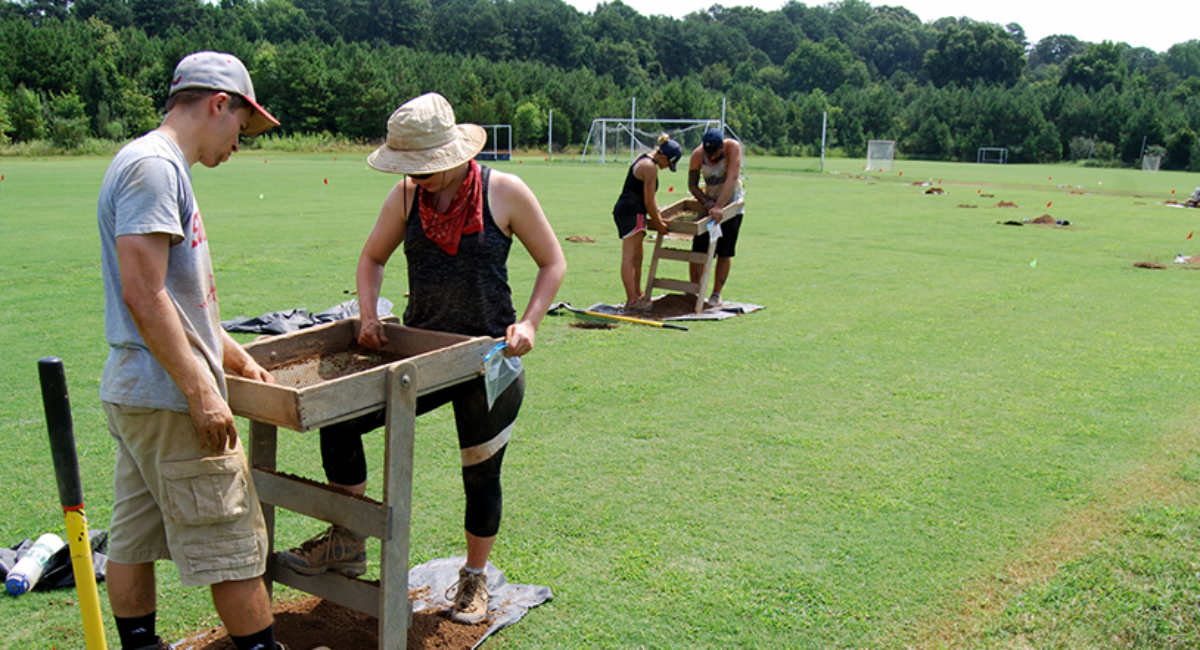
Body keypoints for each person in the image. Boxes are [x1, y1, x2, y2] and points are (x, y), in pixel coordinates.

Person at [276, 93, 566, 625]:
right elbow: (371, 258)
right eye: (408, 167)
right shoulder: (407, 197)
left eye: (423, 166)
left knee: (480, 475)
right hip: (421, 355)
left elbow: (553, 262)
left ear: (453, 151)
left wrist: (529, 323)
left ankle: (474, 579)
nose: (417, 175)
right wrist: (367, 316)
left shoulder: (504, 192)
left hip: (487, 359)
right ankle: (348, 538)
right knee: (336, 421)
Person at [96, 52, 284, 650]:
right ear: (217, 104)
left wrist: (233, 357)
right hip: (171, 400)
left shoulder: (154, 164)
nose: (238, 144)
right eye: (240, 129)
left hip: (140, 396)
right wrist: (203, 391)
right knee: (231, 543)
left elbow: (178, 300)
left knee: (134, 539)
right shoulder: (154, 168)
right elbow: (143, 293)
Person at [610, 134, 682, 311]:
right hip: (631, 213)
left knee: (637, 257)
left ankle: (637, 294)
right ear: (664, 157)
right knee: (630, 257)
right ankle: (632, 301)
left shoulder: (644, 159)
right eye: (669, 164)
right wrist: (659, 224)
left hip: (633, 212)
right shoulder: (650, 168)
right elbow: (649, 201)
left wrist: (658, 216)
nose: (667, 168)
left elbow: (651, 201)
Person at [687, 128, 745, 308]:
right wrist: (707, 203)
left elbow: (732, 177)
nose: (711, 158)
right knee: (698, 250)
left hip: (731, 205)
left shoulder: (732, 148)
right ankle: (693, 291)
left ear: (722, 147)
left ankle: (716, 293)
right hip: (709, 205)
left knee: (725, 250)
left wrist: (720, 205)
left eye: (715, 154)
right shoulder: (697, 155)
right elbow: (692, 185)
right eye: (708, 153)